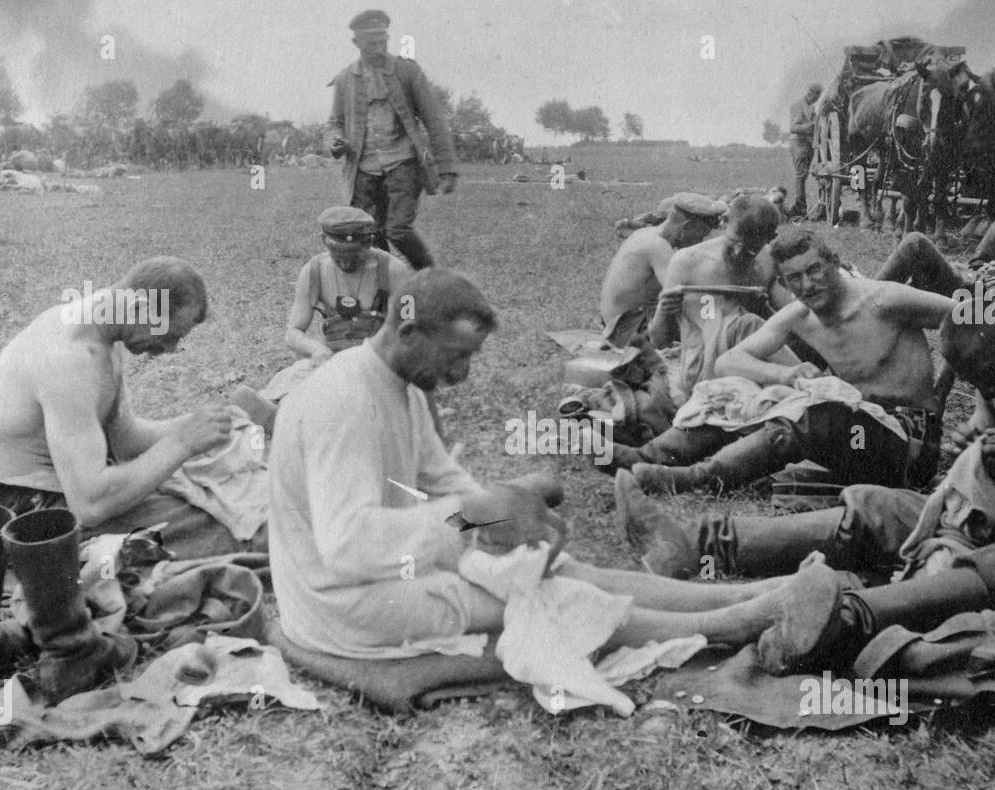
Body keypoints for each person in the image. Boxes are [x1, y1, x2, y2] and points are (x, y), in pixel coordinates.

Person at [267, 268, 796, 706]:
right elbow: (347, 546)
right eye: (456, 356)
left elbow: (445, 482)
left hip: (381, 570)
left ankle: (744, 594)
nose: (464, 372)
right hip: (340, 602)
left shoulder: (398, 387)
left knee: (559, 568)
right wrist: (475, 514)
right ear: (408, 333)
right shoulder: (343, 399)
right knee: (546, 598)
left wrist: (512, 523)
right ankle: (730, 624)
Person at [617, 304, 995, 676]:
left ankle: (840, 624)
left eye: (991, 377)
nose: (986, 392)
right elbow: (989, 453)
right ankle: (698, 544)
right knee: (877, 506)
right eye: (975, 383)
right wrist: (973, 454)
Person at [0, 256, 263, 560]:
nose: (171, 349)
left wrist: (201, 424)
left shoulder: (101, 333)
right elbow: (91, 505)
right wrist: (183, 442)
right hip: (28, 512)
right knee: (220, 523)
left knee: (210, 489)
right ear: (138, 308)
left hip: (66, 487)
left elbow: (125, 439)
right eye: (171, 335)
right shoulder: (71, 360)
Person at [616, 227, 949, 494]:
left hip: (909, 447)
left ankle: (698, 479)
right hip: (855, 428)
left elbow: (973, 318)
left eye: (815, 269)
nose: (808, 284)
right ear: (784, 282)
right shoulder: (801, 314)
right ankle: (647, 456)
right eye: (795, 278)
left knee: (815, 415)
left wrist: (949, 392)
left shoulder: (883, 300)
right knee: (738, 390)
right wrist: (786, 376)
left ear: (834, 264)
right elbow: (729, 362)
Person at [326, 8, 457, 269]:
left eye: (382, 41)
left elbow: (434, 120)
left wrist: (447, 167)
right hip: (363, 169)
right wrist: (335, 140)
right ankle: (387, 289)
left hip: (403, 163)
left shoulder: (407, 71)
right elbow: (334, 123)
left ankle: (432, 278)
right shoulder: (345, 79)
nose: (377, 48)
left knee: (398, 229)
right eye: (370, 43)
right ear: (356, 43)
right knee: (370, 233)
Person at [647, 194, 798, 399]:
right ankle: (808, 383)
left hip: (754, 364)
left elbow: (791, 315)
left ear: (769, 238)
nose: (737, 253)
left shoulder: (765, 261)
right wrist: (664, 310)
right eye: (733, 242)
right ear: (726, 222)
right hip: (703, 373)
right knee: (745, 323)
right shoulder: (687, 262)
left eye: (749, 249)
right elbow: (658, 341)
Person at [284, 205, 414, 362]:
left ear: (369, 242)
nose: (345, 265)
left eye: (354, 256)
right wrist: (317, 350)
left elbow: (410, 325)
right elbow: (293, 332)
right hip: (333, 362)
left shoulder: (395, 270)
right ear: (323, 240)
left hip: (380, 360)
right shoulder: (313, 271)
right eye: (337, 256)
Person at [598, 191, 726, 347]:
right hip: (624, 329)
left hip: (616, 321)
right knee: (713, 333)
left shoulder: (645, 233)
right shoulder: (659, 248)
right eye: (700, 235)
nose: (700, 240)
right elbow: (684, 297)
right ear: (687, 227)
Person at [788, 83, 822, 218]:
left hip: (808, 144)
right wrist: (814, 125)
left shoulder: (811, 107)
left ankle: (801, 207)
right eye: (816, 96)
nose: (817, 99)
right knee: (800, 176)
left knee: (804, 175)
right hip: (799, 144)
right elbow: (794, 128)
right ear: (810, 93)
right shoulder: (797, 106)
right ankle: (800, 208)